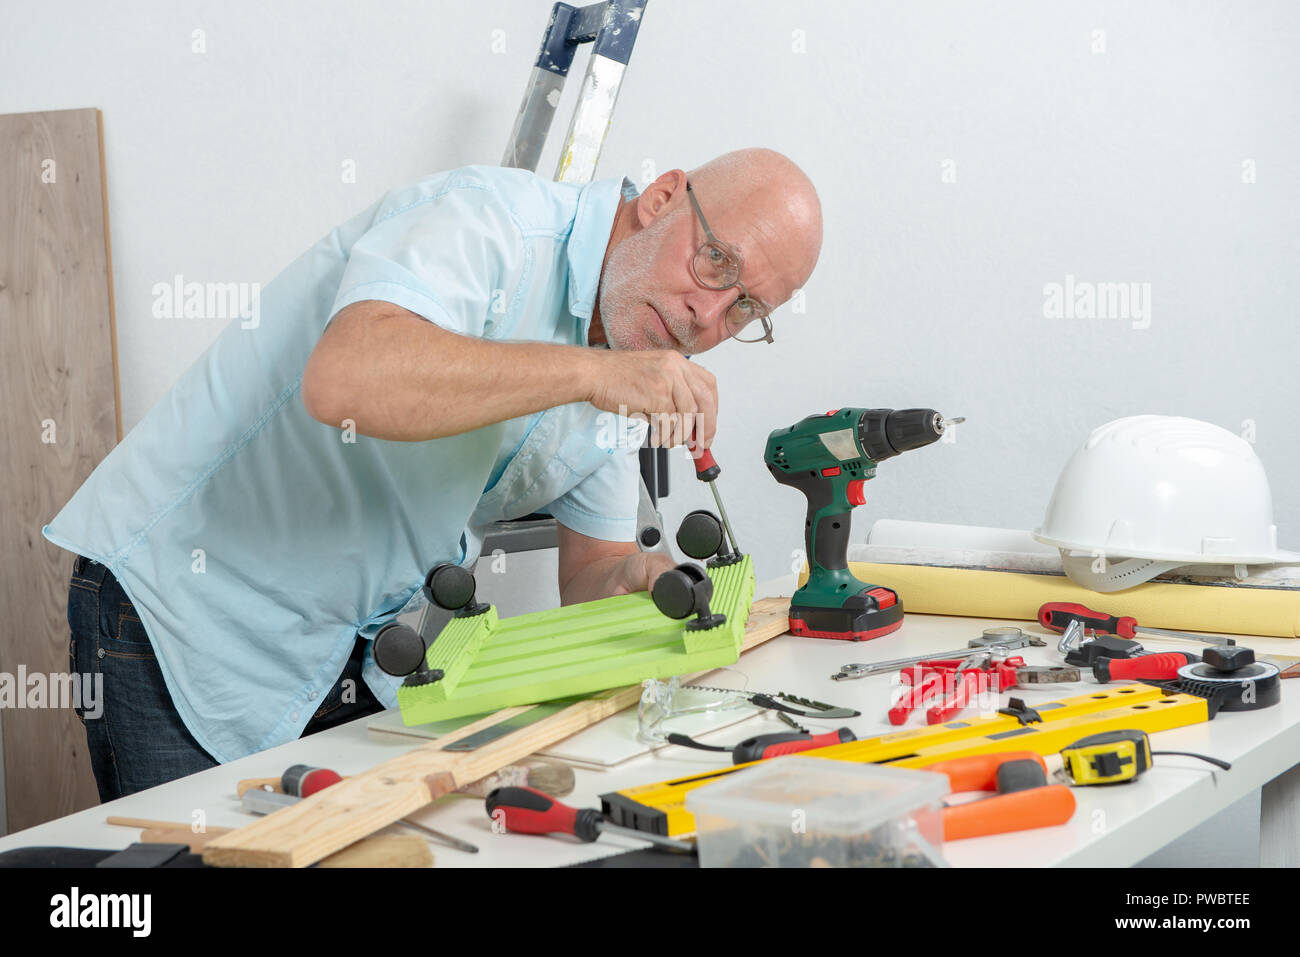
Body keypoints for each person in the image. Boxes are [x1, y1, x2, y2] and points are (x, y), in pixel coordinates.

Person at [45, 147, 823, 800]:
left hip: (340, 644)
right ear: (661, 199)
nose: (707, 314)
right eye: (716, 260)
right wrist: (587, 374)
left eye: (745, 310)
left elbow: (589, 572)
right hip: (184, 614)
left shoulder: (629, 349)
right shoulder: (491, 223)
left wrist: (636, 580)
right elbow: (346, 379)